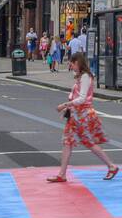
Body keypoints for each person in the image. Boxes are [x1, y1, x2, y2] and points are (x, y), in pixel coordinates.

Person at [48, 52, 118, 182]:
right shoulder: (81, 77)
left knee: (88, 142)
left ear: (77, 63)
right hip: (76, 115)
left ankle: (111, 166)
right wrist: (68, 108)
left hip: (83, 115)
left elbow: (82, 98)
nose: (71, 66)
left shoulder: (85, 77)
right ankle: (62, 174)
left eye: (72, 64)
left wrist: (65, 105)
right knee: (67, 142)